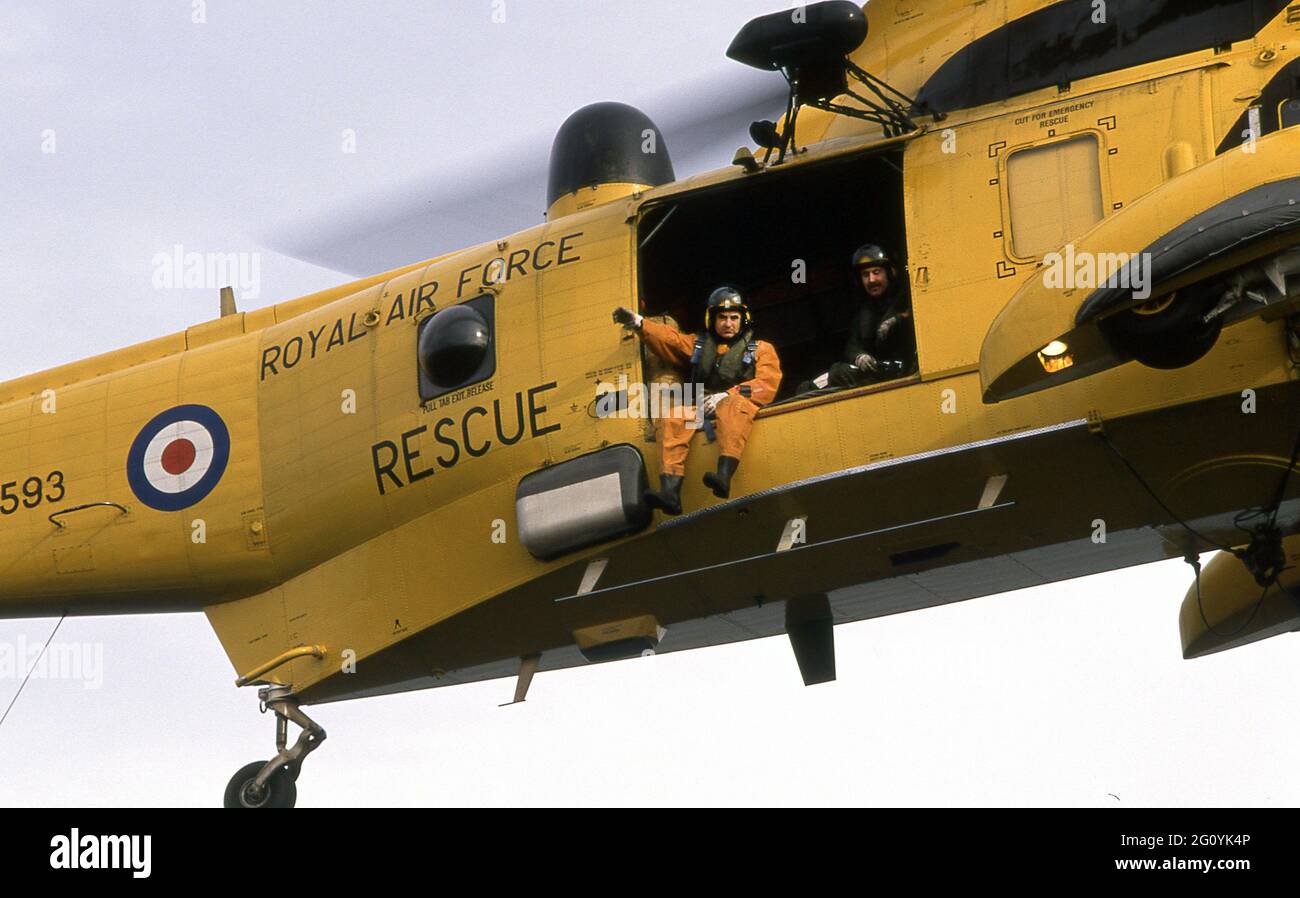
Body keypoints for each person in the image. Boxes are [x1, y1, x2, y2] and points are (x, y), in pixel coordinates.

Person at [613, 286, 782, 514]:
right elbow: (671, 340)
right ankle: (670, 492)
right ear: (712, 319)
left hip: (736, 402)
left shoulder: (761, 349)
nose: (728, 323)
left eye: (734, 318)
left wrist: (728, 394)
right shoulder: (700, 346)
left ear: (744, 319)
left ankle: (723, 477)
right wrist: (638, 323)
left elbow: (767, 383)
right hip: (704, 406)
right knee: (673, 417)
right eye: (722, 317)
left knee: (735, 407)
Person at [799, 244, 916, 393]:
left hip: (901, 372)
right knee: (809, 387)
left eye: (876, 272)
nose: (871, 279)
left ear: (890, 273)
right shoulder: (865, 311)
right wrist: (859, 356)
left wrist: (898, 321)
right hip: (876, 371)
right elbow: (852, 345)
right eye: (865, 275)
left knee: (837, 372)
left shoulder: (907, 300)